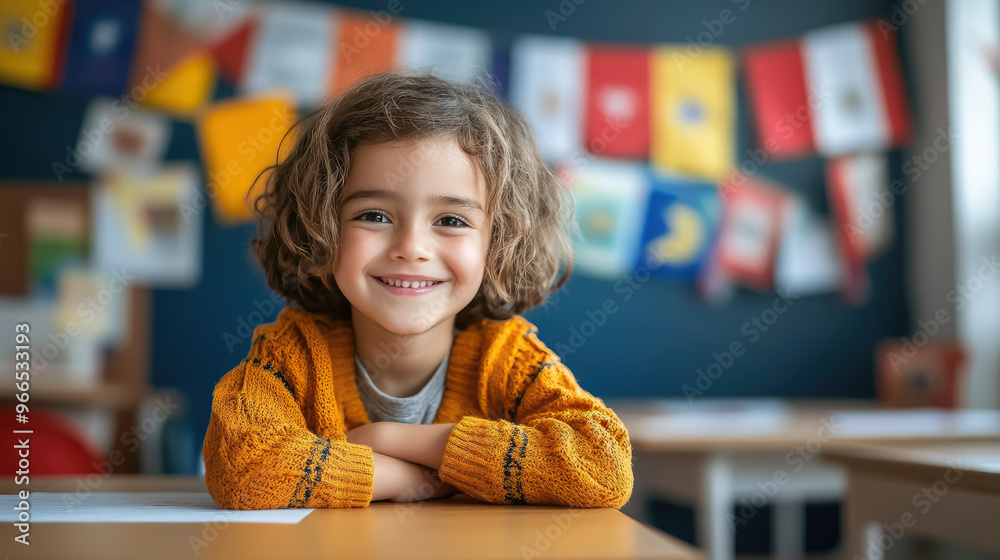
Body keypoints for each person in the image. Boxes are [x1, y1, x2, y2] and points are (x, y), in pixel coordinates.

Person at [202, 72, 633, 510]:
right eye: (374, 215)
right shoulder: (293, 355)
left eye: (450, 220)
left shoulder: (508, 360)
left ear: (498, 246)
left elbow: (604, 466)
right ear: (320, 235)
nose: (411, 248)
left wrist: (391, 438)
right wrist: (404, 477)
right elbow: (241, 468)